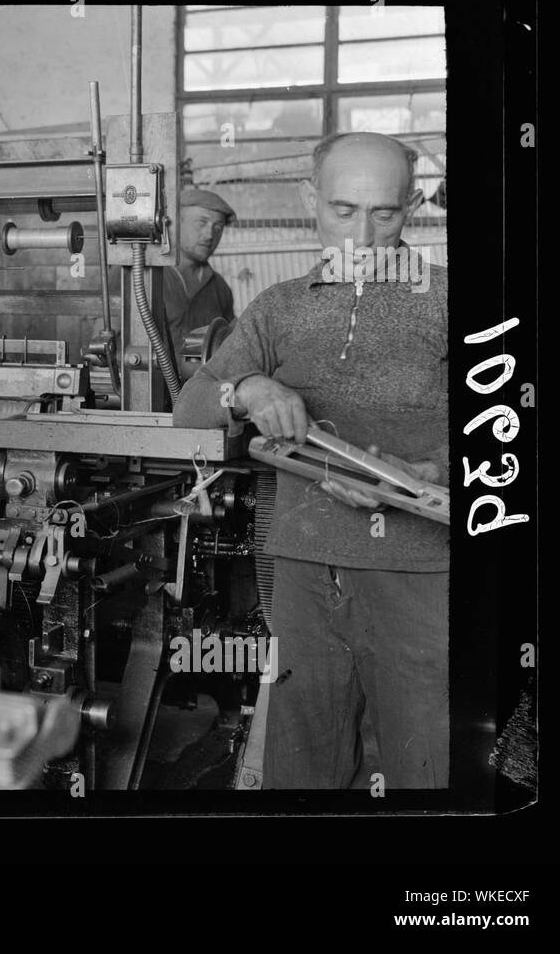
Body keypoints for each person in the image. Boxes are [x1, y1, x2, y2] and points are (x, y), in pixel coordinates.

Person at [173, 132, 449, 789]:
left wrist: (435, 469)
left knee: (426, 765)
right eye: (343, 209)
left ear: (412, 205)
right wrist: (245, 389)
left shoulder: (450, 302)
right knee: (303, 770)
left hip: (418, 572)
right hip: (302, 574)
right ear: (311, 201)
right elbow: (190, 406)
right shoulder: (279, 308)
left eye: (384, 212)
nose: (363, 233)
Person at [164, 188, 237, 378]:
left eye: (218, 227)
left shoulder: (220, 288)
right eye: (201, 222)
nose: (210, 234)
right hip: (147, 394)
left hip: (199, 394)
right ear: (175, 223)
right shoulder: (141, 275)